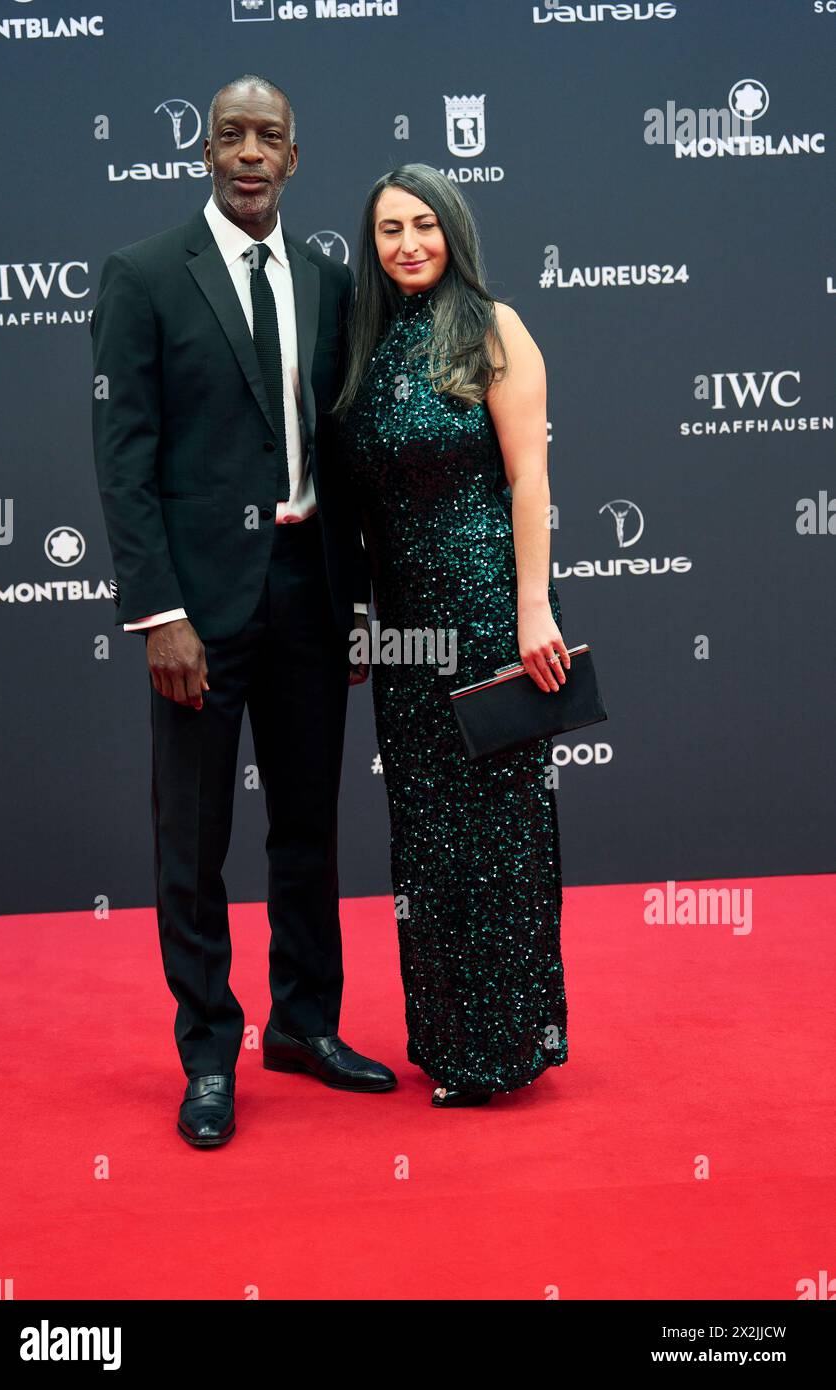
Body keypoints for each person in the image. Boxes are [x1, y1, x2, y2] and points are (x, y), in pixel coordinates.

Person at [90, 74, 395, 1149]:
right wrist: (156, 611)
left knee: (309, 828)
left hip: (310, 594)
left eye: (270, 136)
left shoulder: (326, 278)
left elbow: (345, 456)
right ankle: (209, 1051)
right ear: (205, 152)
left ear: (294, 157)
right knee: (196, 838)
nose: (250, 152)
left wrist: (356, 600)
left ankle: (305, 1024)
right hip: (197, 609)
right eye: (232, 135)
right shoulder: (142, 279)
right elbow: (123, 460)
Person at [335, 164, 570, 1108]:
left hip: (484, 617)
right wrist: (361, 622)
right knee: (427, 837)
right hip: (405, 635)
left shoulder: (495, 329)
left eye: (425, 225)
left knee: (500, 832)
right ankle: (444, 1037)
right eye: (390, 229)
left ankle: (504, 1047)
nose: (408, 245)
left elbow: (528, 481)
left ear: (454, 230)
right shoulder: (367, 343)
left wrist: (534, 610)